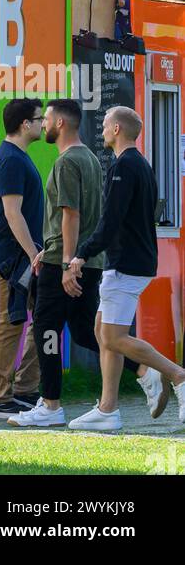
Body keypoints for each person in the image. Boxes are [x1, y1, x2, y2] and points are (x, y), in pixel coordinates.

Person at [7, 99, 154, 428]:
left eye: (45, 119)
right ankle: (142, 370)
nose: (42, 124)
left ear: (60, 122)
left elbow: (70, 215)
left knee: (46, 328)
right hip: (88, 261)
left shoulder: (67, 162)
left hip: (69, 262)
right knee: (90, 334)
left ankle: (50, 404)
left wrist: (66, 263)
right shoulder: (91, 158)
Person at [67, 105, 185, 431]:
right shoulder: (140, 164)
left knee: (113, 337)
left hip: (126, 265)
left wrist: (80, 255)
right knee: (101, 332)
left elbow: (110, 222)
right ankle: (108, 410)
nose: (102, 130)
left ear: (117, 129)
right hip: (131, 262)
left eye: (105, 125)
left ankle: (176, 375)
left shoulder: (124, 167)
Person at [0, 98, 44, 419]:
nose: (44, 123)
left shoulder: (17, 158)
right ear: (24, 125)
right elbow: (12, 213)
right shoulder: (11, 161)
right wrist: (35, 254)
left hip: (23, 256)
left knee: (44, 317)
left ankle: (25, 390)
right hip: (11, 257)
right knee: (7, 324)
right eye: (39, 118)